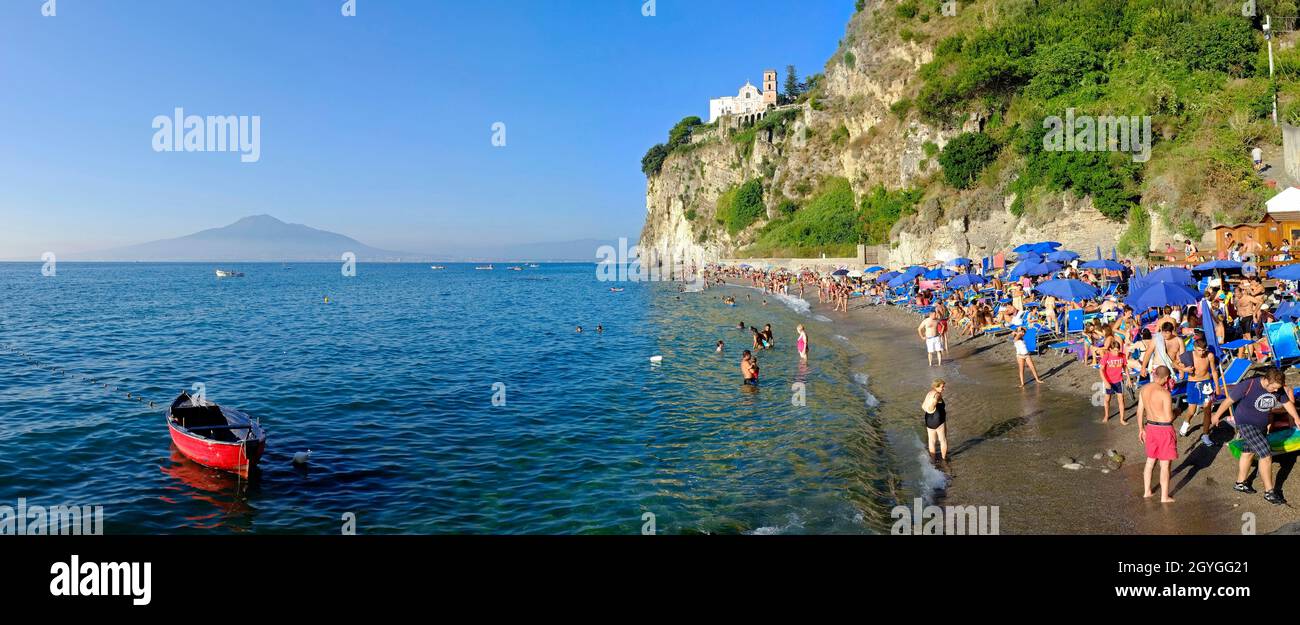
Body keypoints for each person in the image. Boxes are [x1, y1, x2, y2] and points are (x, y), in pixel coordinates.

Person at [1211, 368, 1300, 505]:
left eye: (1278, 389)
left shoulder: (1278, 389)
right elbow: (1228, 401)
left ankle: (1240, 483)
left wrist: (1296, 418)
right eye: (1274, 388)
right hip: (1245, 424)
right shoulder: (1248, 385)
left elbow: (1287, 403)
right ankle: (1269, 492)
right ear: (1266, 380)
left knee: (1248, 452)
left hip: (1261, 427)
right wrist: (1216, 416)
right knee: (1266, 454)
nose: (1276, 391)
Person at [1136, 366, 1177, 503]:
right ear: (1166, 378)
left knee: (1150, 461)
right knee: (1165, 465)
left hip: (1150, 427)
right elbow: (1168, 418)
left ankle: (1147, 491)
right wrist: (1177, 412)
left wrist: (1141, 429)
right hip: (1164, 430)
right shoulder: (1165, 394)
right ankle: (1164, 497)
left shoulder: (1144, 389)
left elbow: (1140, 411)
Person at [1175, 337, 1219, 443]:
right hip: (1192, 384)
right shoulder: (1188, 355)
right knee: (1191, 411)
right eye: (1199, 350)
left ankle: (1205, 435)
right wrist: (1183, 369)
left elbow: (1213, 371)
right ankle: (1186, 423)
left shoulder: (1209, 355)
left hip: (1206, 384)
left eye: (1204, 350)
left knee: (1207, 411)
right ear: (1194, 348)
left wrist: (1217, 386)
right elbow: (1174, 363)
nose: (1202, 352)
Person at [1100, 338, 1128, 423]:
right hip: (1109, 381)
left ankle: (1122, 419)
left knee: (1121, 400)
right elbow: (1101, 370)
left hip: (1119, 380)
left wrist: (1129, 379)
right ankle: (1106, 415)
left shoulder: (1122, 355)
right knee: (1107, 399)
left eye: (1118, 350)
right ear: (1110, 349)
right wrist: (1105, 382)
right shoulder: (1107, 356)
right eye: (1115, 351)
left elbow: (1125, 367)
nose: (1117, 352)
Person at [921, 379, 948, 461]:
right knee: (942, 440)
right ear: (936, 386)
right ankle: (944, 459)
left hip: (928, 419)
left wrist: (929, 411)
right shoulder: (937, 395)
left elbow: (923, 406)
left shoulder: (929, 393)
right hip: (938, 419)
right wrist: (932, 409)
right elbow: (933, 403)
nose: (943, 389)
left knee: (931, 441)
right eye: (942, 387)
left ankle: (933, 460)